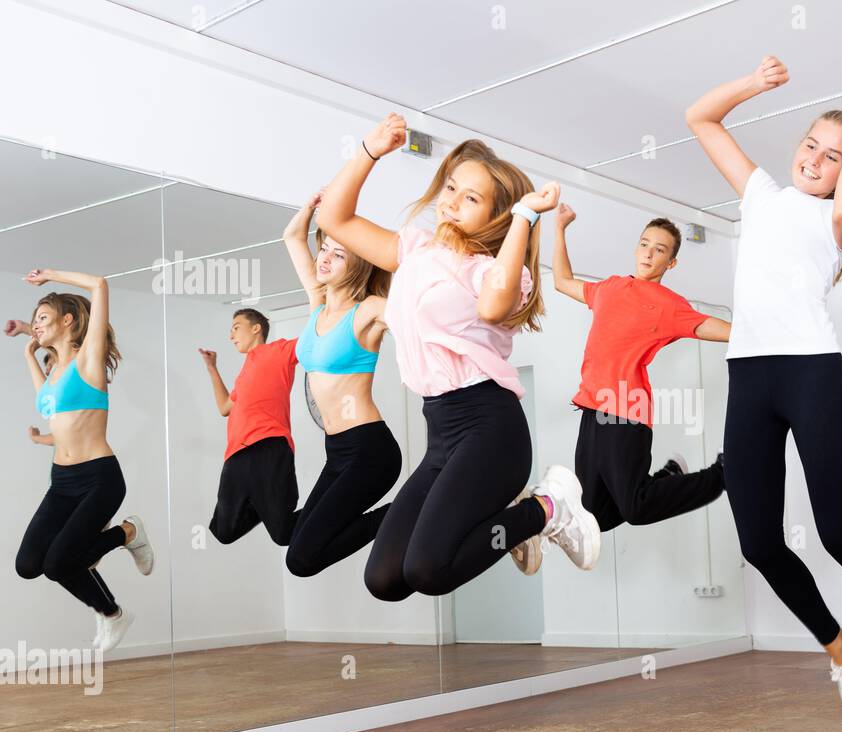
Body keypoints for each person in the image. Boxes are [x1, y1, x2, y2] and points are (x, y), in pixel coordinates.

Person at [687, 57, 842, 718]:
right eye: (811, 146)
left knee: (838, 531)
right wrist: (753, 85)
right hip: (749, 375)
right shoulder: (760, 195)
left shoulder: (841, 228)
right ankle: (840, 648)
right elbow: (700, 118)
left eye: (834, 156)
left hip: (812, 371)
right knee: (758, 544)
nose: (815, 161)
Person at [316, 113, 602, 601]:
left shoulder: (497, 272)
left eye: (471, 198)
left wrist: (525, 217)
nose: (450, 203)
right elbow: (333, 220)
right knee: (385, 580)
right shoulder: (415, 251)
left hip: (489, 429)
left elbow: (491, 305)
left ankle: (547, 508)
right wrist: (370, 150)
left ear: (496, 215)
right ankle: (514, 522)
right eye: (451, 188)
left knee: (429, 569)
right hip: (441, 433)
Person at [505, 202, 729, 575]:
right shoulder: (610, 287)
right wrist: (559, 228)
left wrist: (755, 337)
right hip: (592, 410)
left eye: (660, 250)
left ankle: (723, 473)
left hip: (626, 409)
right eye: (645, 244)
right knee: (593, 515)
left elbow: (709, 326)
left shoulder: (669, 305)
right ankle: (669, 476)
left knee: (636, 508)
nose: (649, 254)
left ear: (671, 263)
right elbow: (562, 281)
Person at [7, 269, 154, 653]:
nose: (37, 324)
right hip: (62, 482)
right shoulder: (55, 372)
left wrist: (49, 276)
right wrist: (28, 348)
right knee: (29, 565)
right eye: (36, 319)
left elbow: (99, 285)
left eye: (43, 317)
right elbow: (51, 408)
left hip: (98, 479)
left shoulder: (88, 360)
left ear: (67, 320)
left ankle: (125, 545)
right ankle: (122, 542)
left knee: (59, 564)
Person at [280, 190, 401, 577]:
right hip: (337, 452)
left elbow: (421, 320)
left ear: (359, 266)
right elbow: (292, 237)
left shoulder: (368, 311)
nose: (325, 258)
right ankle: (415, 509)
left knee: (302, 559)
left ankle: (420, 508)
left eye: (339, 254)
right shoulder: (317, 304)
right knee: (294, 540)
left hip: (369, 450)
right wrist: (312, 208)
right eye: (324, 249)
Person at [199, 307, 299, 547]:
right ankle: (266, 506)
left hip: (268, 447)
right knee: (223, 532)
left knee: (283, 534)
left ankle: (333, 508)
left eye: (236, 328)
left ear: (256, 328)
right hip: (236, 455)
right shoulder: (244, 375)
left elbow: (316, 339)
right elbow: (225, 407)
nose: (231, 336)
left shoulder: (278, 350)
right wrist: (212, 368)